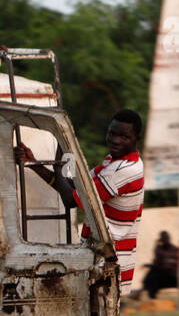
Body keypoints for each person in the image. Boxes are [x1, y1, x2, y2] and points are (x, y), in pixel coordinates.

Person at [14, 109, 145, 294]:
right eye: (112, 134)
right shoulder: (112, 163)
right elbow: (70, 186)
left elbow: (69, 200)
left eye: (124, 136)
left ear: (136, 138)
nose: (115, 140)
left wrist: (59, 164)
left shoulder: (124, 171)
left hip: (108, 265)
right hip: (100, 260)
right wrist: (34, 162)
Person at [142, 231, 179, 299]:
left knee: (153, 274)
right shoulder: (160, 248)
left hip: (173, 276)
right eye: (164, 238)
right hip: (163, 275)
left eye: (166, 238)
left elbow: (166, 262)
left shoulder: (174, 249)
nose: (166, 240)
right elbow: (157, 262)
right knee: (151, 277)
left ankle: (141, 292)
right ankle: (151, 298)